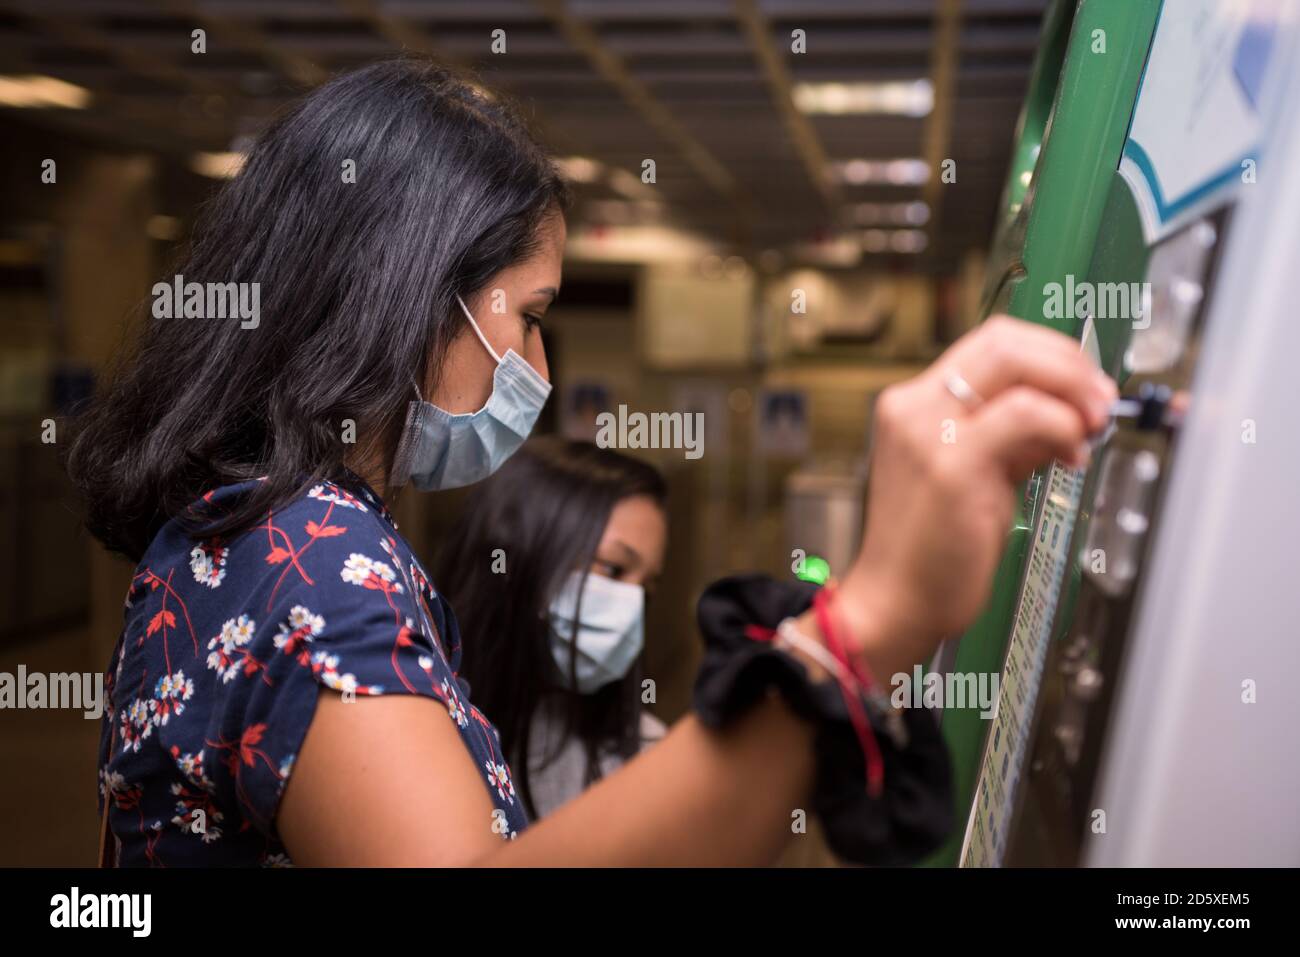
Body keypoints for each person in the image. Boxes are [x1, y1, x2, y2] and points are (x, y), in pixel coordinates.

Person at [68, 58, 1116, 867]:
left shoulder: (235, 534)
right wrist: (866, 626)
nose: (539, 363)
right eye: (527, 318)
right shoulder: (313, 563)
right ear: (408, 298)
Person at [434, 437, 668, 820]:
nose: (632, 606)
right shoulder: (423, 735)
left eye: (646, 587)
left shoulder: (647, 756)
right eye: (612, 569)